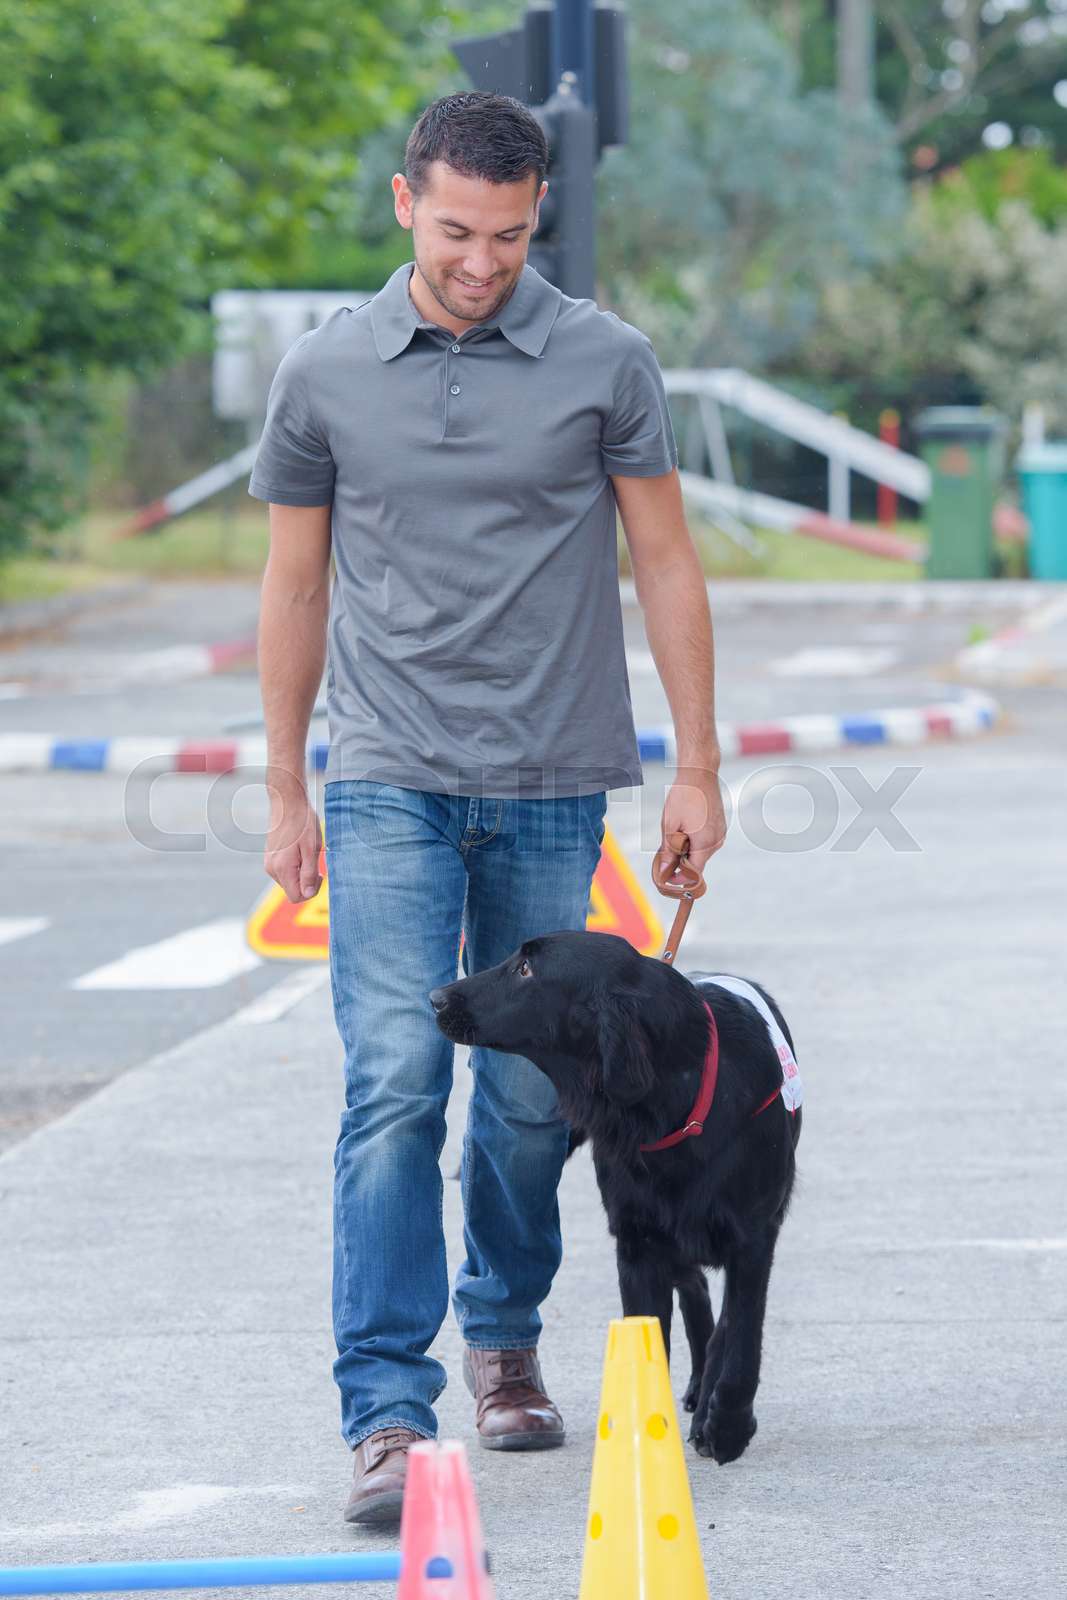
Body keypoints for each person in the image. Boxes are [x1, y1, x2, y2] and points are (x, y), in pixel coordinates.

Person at [249, 90, 726, 1525]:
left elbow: (666, 561)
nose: (481, 262)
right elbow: (294, 584)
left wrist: (698, 766)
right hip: (385, 773)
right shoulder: (325, 372)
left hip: (549, 780)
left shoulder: (607, 361)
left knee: (529, 1098)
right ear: (407, 203)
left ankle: (504, 1340)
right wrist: (287, 784)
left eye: (509, 237)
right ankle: (387, 1411)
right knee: (397, 1079)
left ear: (538, 218)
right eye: (456, 231)